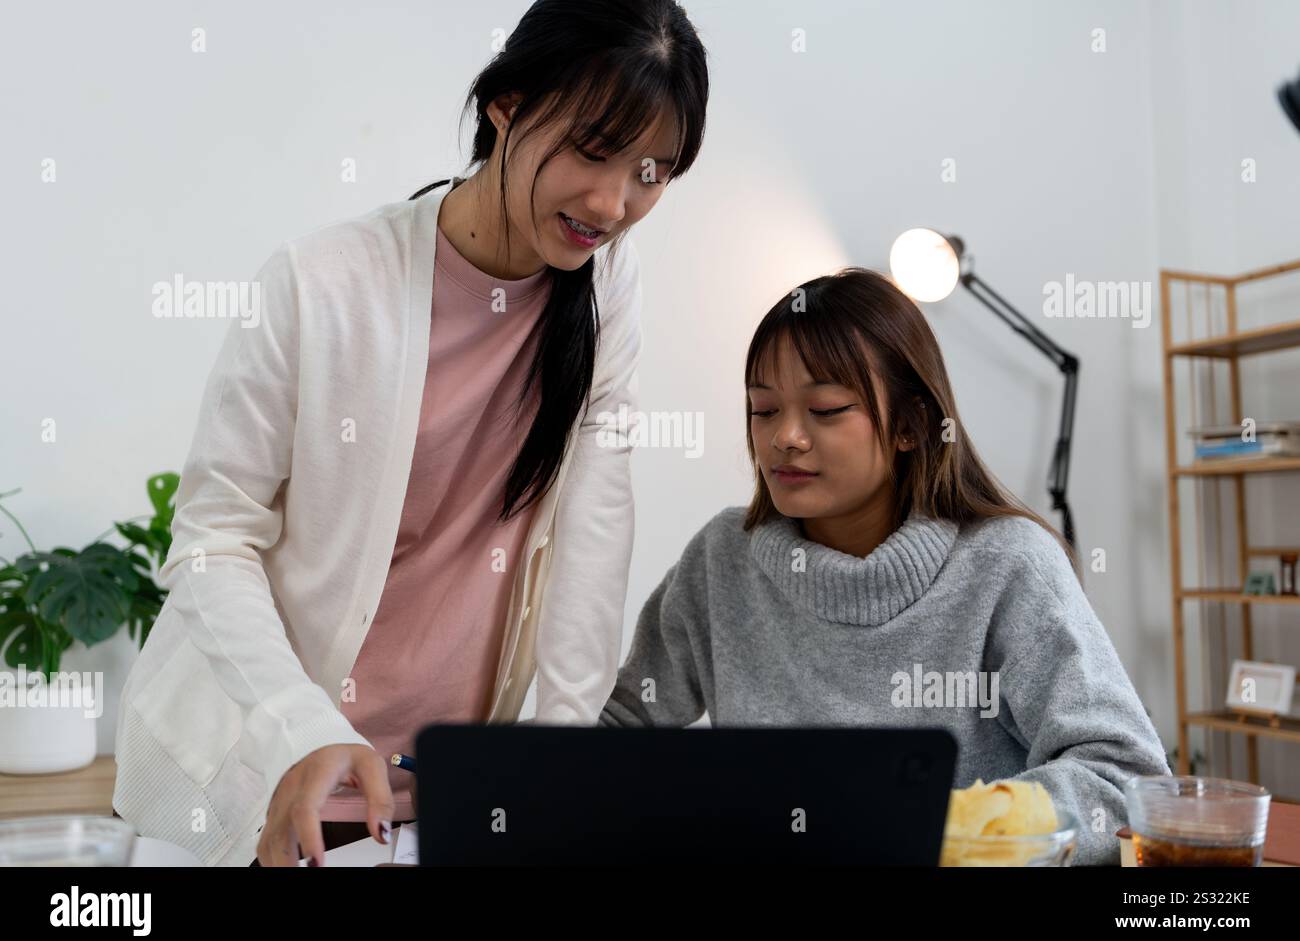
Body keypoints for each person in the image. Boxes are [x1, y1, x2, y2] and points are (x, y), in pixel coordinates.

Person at [112, 0, 710, 867]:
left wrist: (562, 762)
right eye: (592, 148)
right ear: (506, 104)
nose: (614, 202)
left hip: (447, 800)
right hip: (258, 779)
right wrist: (301, 731)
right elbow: (214, 539)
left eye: (651, 172)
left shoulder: (607, 285)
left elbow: (594, 527)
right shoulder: (322, 283)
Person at [599, 267, 1170, 865]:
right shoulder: (722, 559)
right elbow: (621, 725)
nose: (785, 438)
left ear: (911, 425)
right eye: (763, 410)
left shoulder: (1007, 564)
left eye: (825, 409)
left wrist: (936, 828)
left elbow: (1123, 776)